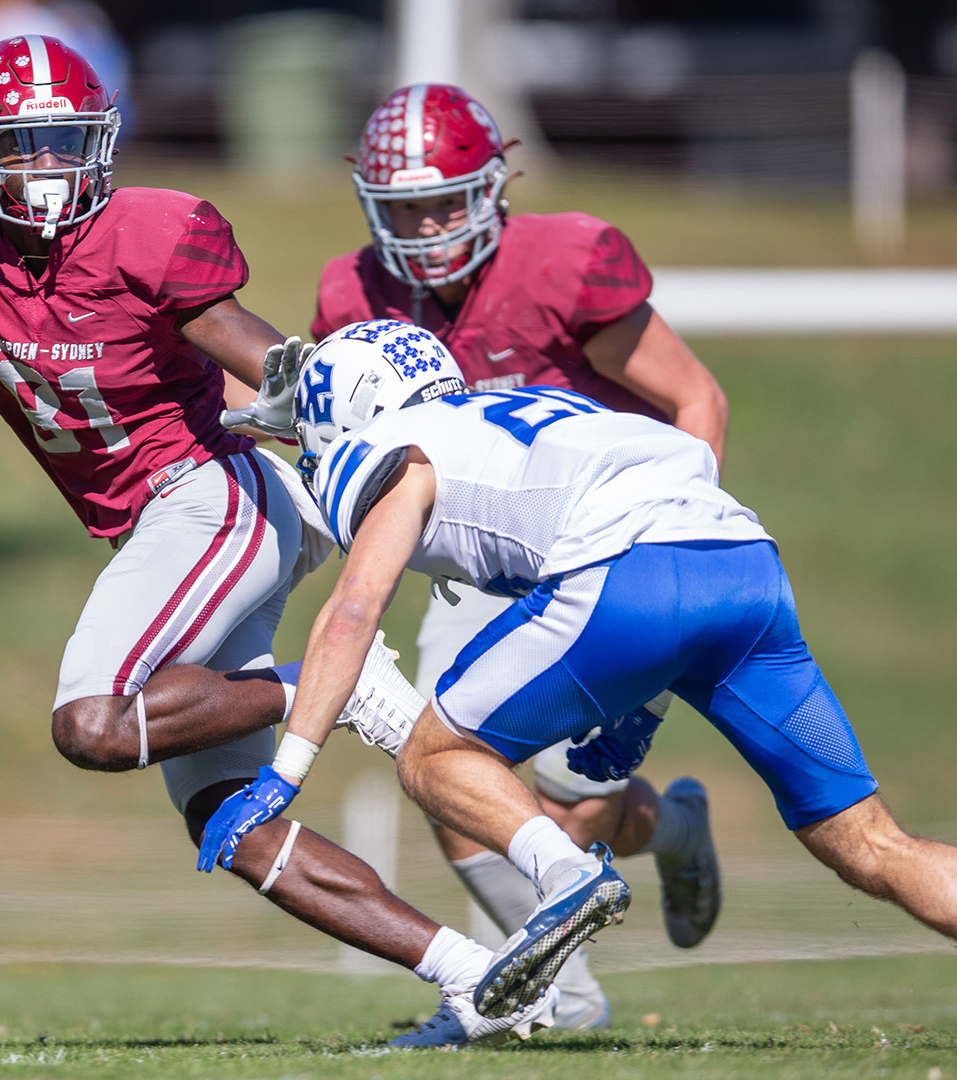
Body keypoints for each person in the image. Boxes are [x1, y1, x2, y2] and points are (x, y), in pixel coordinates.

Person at [0, 36, 539, 1043]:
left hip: (214, 497)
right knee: (233, 823)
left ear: (101, 143)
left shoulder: (150, 234)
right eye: (21, 144)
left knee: (91, 722)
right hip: (159, 532)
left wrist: (351, 411)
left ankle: (333, 686)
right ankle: (482, 976)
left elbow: (274, 369)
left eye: (63, 142)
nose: (45, 168)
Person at [197, 320, 957, 1047]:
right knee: (868, 838)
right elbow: (672, 508)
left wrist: (284, 776)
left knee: (436, 753)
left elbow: (353, 615)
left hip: (630, 569)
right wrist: (640, 707)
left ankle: (567, 879)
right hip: (743, 563)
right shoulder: (548, 412)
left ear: (354, 407)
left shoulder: (391, 449)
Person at [309, 82, 729, 1032]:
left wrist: (680, 535)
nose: (423, 227)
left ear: (494, 186)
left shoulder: (566, 261)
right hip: (469, 552)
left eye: (442, 199)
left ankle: (669, 828)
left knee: (575, 807)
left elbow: (697, 399)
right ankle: (563, 998)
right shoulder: (353, 291)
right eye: (403, 205)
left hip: (602, 545)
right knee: (452, 776)